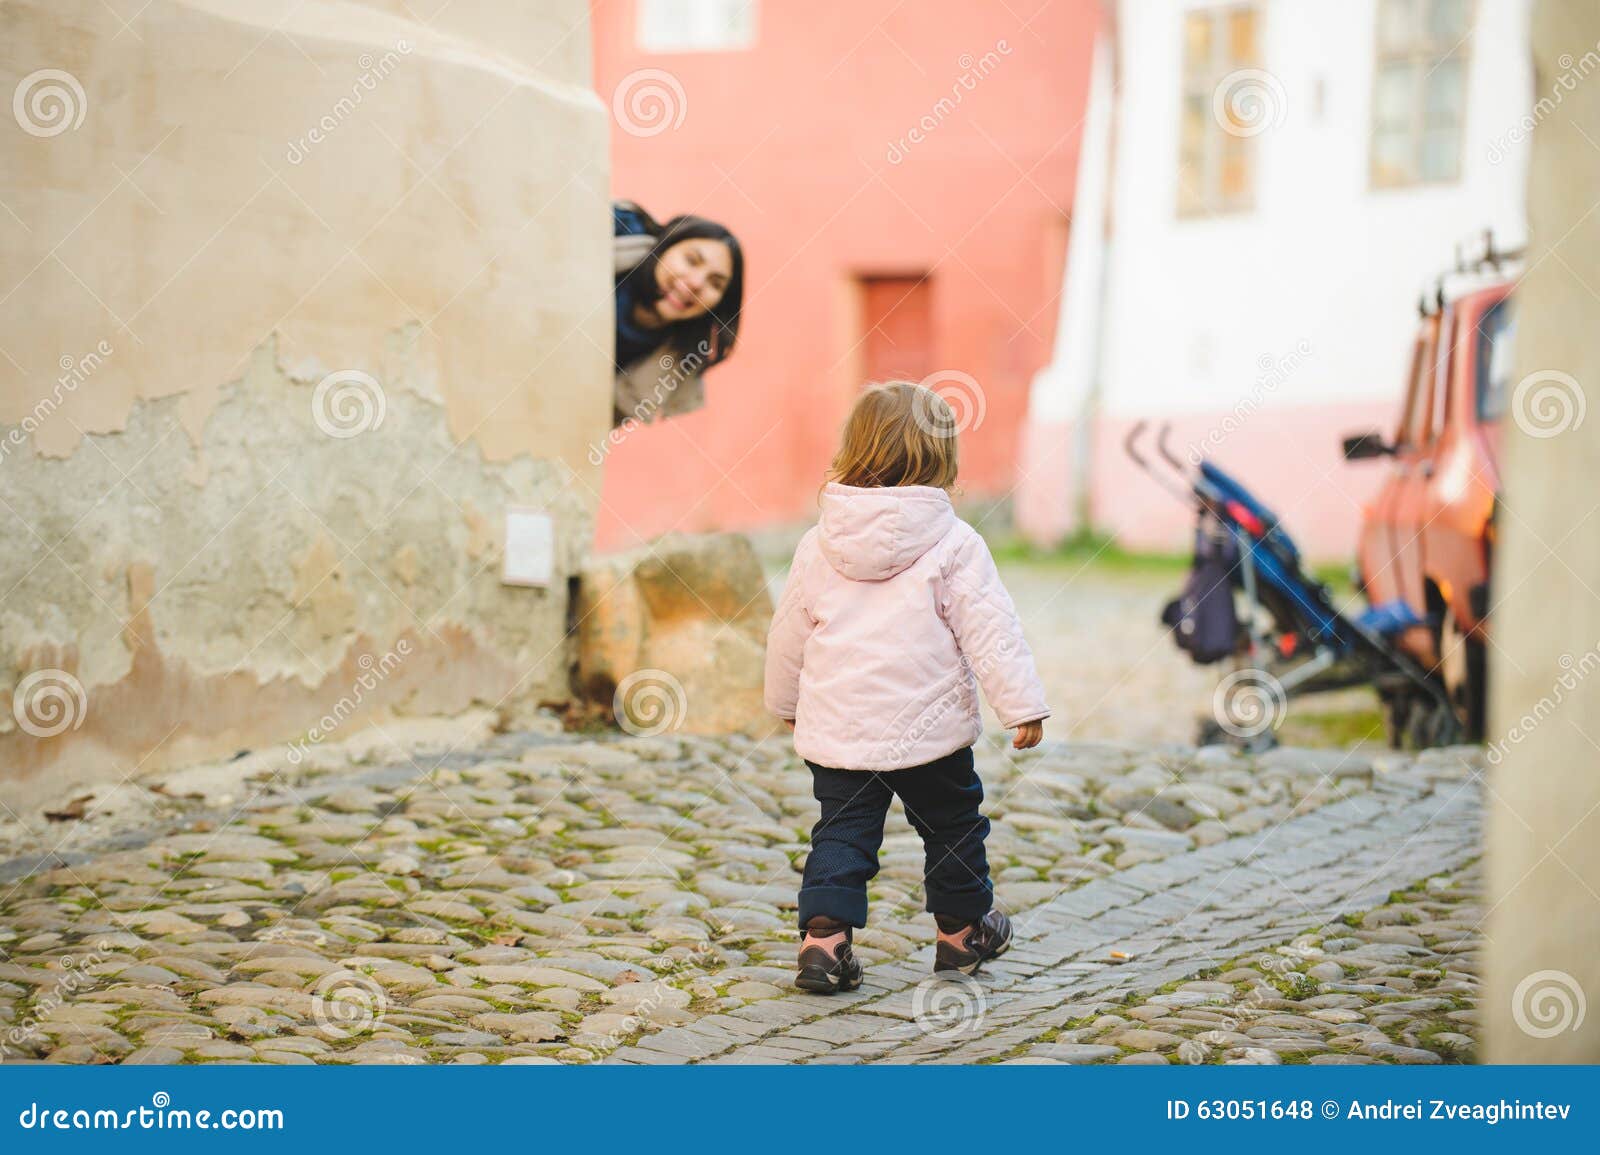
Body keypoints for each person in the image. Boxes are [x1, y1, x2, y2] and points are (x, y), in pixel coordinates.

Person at [763, 381, 1050, 994]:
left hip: (843, 732)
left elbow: (788, 634)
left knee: (842, 832)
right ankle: (961, 934)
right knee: (951, 825)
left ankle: (823, 943)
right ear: (941, 459)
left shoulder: (817, 545)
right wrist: (1020, 704)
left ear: (853, 451)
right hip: (932, 734)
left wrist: (785, 705)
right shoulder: (956, 544)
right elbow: (991, 631)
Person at [611, 200, 744, 428]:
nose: (696, 283)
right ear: (665, 247)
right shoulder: (618, 230)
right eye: (691, 260)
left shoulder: (668, 367)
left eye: (715, 283)